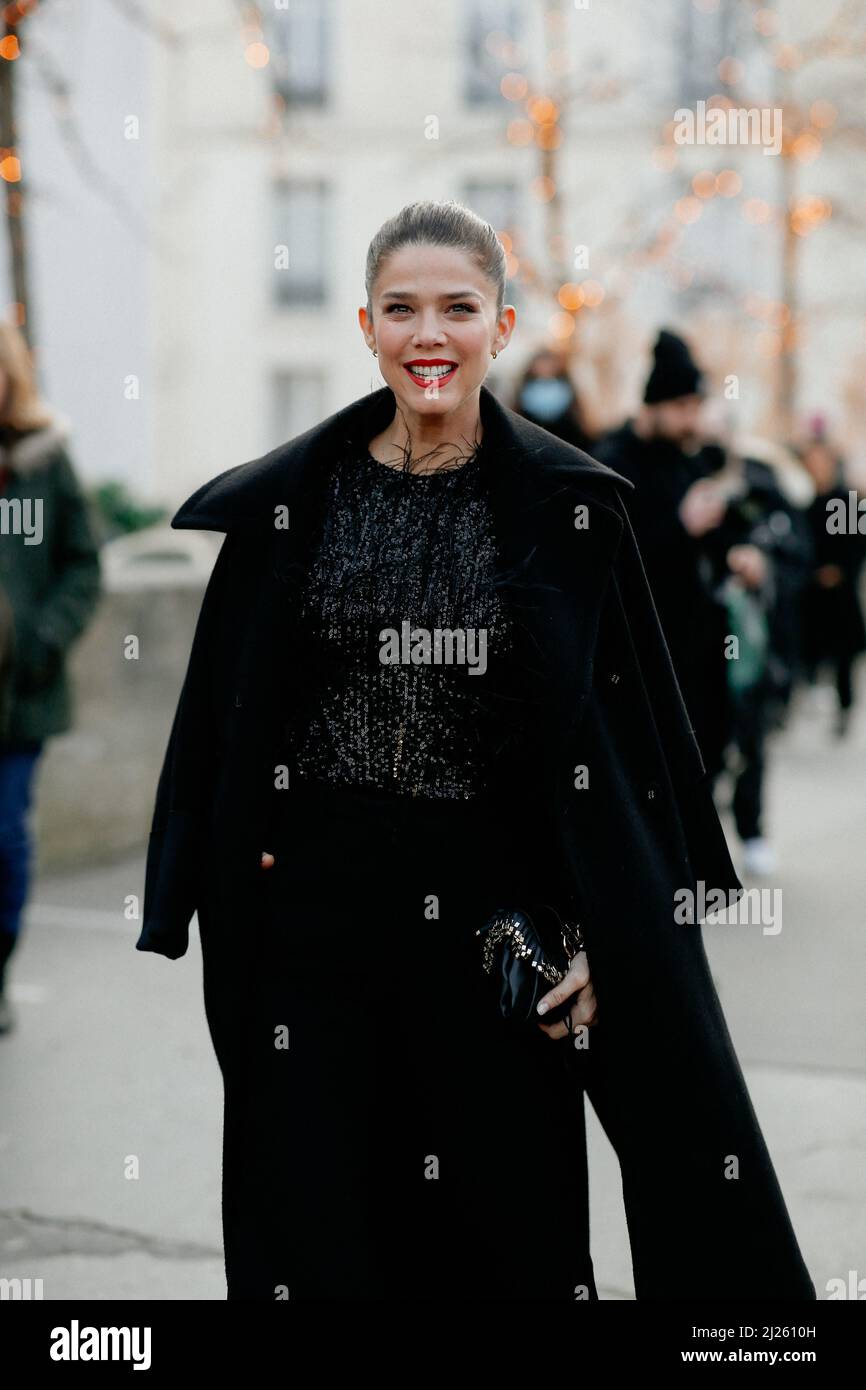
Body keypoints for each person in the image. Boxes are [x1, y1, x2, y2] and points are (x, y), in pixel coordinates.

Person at [137, 201, 815, 1302]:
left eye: (457, 307)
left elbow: (639, 746)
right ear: (364, 325)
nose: (428, 333)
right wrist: (221, 872)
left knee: (508, 1245)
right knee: (318, 1234)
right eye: (401, 308)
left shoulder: (568, 510)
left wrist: (616, 933)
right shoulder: (292, 506)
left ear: (499, 326)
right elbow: (224, 713)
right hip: (317, 932)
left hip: (493, 933)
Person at [0, 322, 102, 1034]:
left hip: (19, 698)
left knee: (4, 838)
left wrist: (42, 640)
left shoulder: (42, 461)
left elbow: (84, 562)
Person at [797, 422, 866, 737]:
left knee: (842, 656)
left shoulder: (847, 501)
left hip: (840, 591)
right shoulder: (808, 503)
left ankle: (844, 708)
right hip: (813, 591)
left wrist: (840, 570)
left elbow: (858, 543)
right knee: (812, 647)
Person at [512, 347, 595, 451]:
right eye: (542, 363)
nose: (545, 368)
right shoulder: (523, 391)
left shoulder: (567, 391)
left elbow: (578, 428)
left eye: (549, 363)